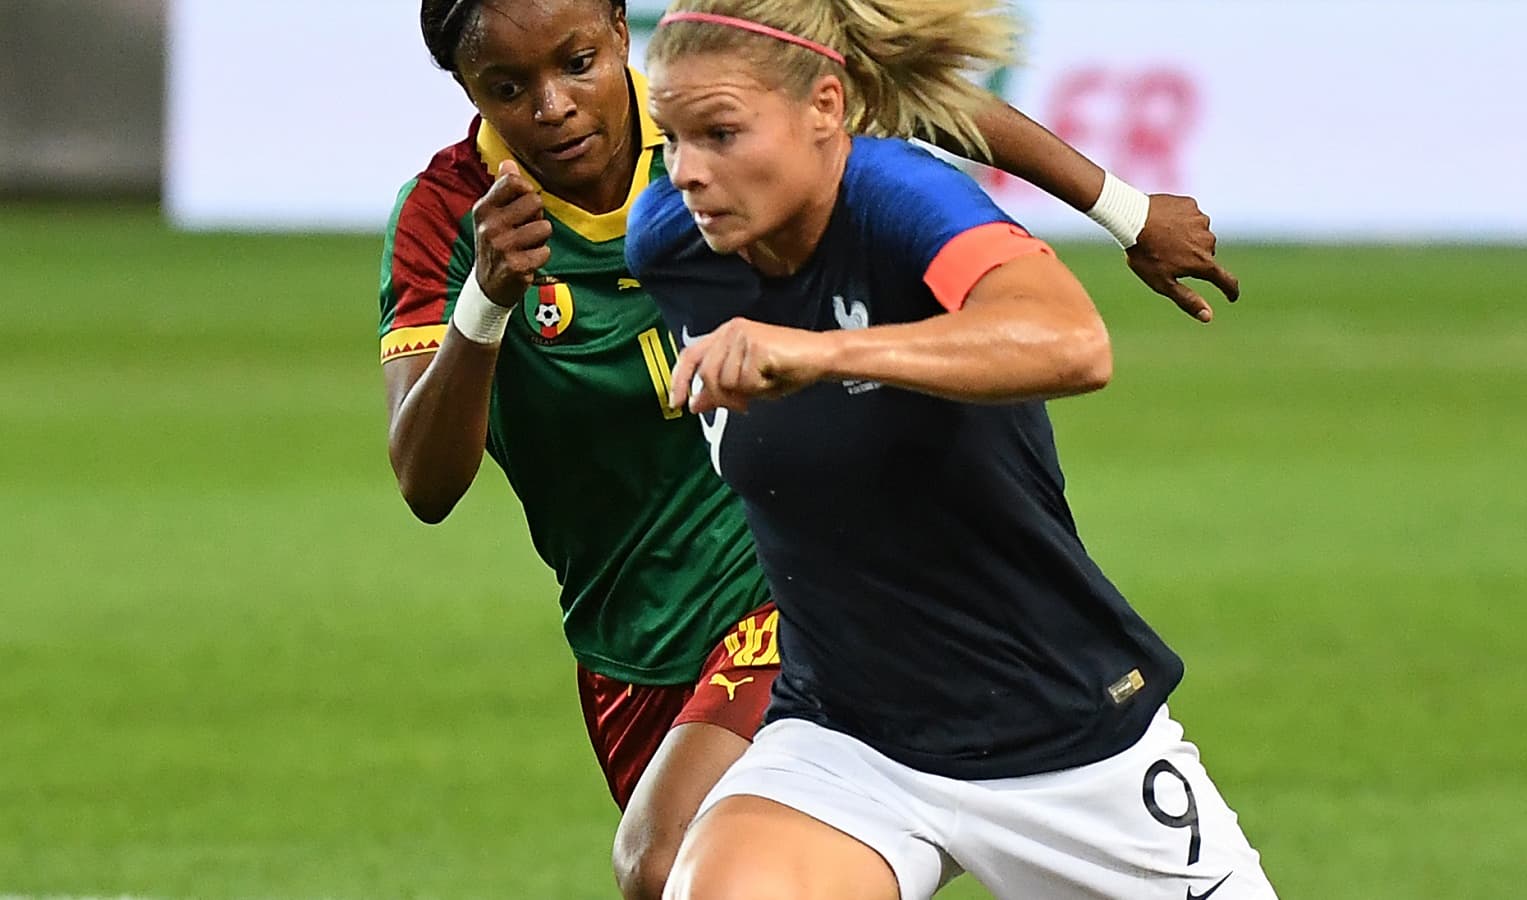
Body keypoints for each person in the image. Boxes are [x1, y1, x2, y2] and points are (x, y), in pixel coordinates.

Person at [384, 1, 1240, 897]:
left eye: (580, 63)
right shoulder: (639, 229)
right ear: (467, 90)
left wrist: (1126, 210)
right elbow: (427, 482)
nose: (555, 105)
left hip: (921, 661)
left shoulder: (810, 153)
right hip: (689, 645)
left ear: (616, 30)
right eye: (511, 88)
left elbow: (1055, 314)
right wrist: (483, 303)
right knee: (678, 877)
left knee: (662, 859)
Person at [624, 2, 1275, 898]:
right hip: (850, 738)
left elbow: (1074, 343)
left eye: (722, 133)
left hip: (1067, 741)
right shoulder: (672, 245)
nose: (689, 173)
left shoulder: (894, 195)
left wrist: (817, 356)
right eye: (672, 139)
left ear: (825, 109)